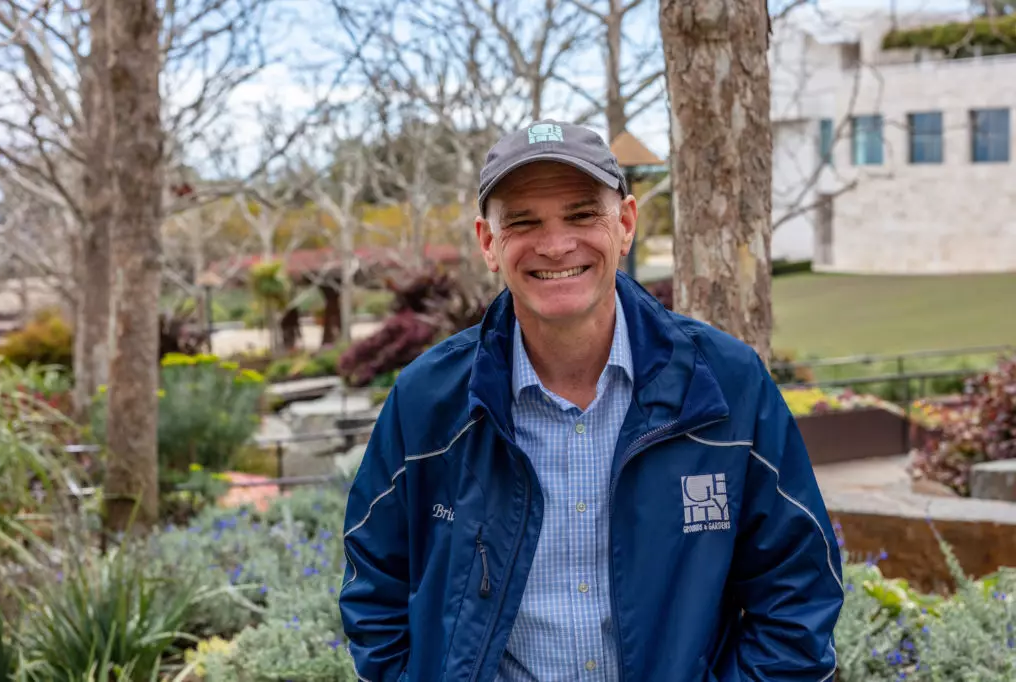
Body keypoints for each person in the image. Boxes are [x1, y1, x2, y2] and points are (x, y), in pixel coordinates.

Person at [338, 120, 844, 682]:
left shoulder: (726, 383)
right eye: (524, 222)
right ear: (488, 243)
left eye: (582, 215)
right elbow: (374, 588)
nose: (555, 245)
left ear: (625, 224)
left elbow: (798, 594)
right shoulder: (427, 400)